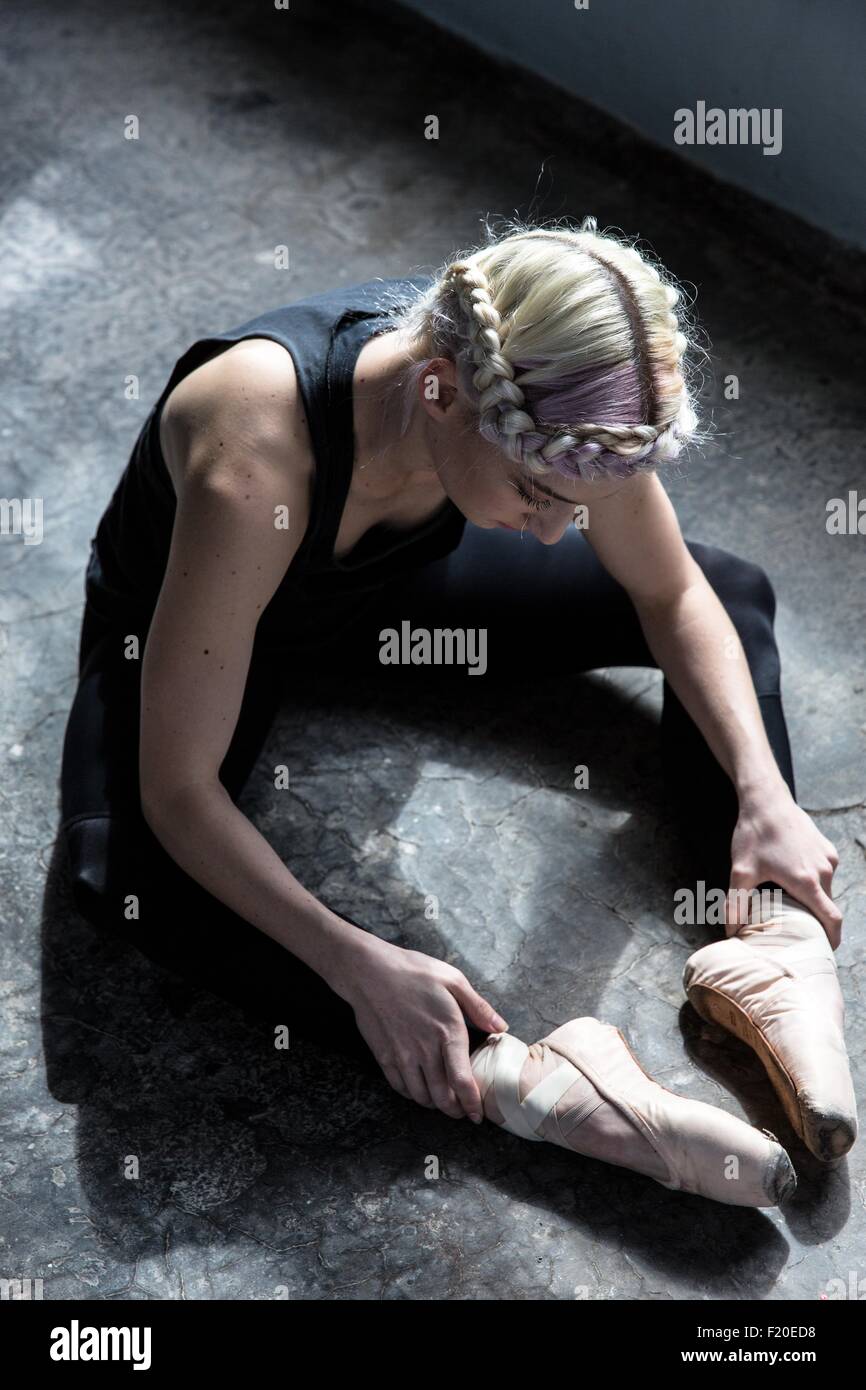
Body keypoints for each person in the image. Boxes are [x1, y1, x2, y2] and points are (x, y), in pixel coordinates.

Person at [59, 216, 857, 1208]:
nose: (559, 530)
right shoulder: (252, 455)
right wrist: (356, 963)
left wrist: (762, 790)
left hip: (389, 589)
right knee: (123, 864)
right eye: (535, 493)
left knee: (727, 593)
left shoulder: (562, 385)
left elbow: (673, 594)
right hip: (216, 614)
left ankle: (767, 947)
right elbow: (177, 791)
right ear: (437, 389)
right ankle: (518, 1076)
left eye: (571, 500)